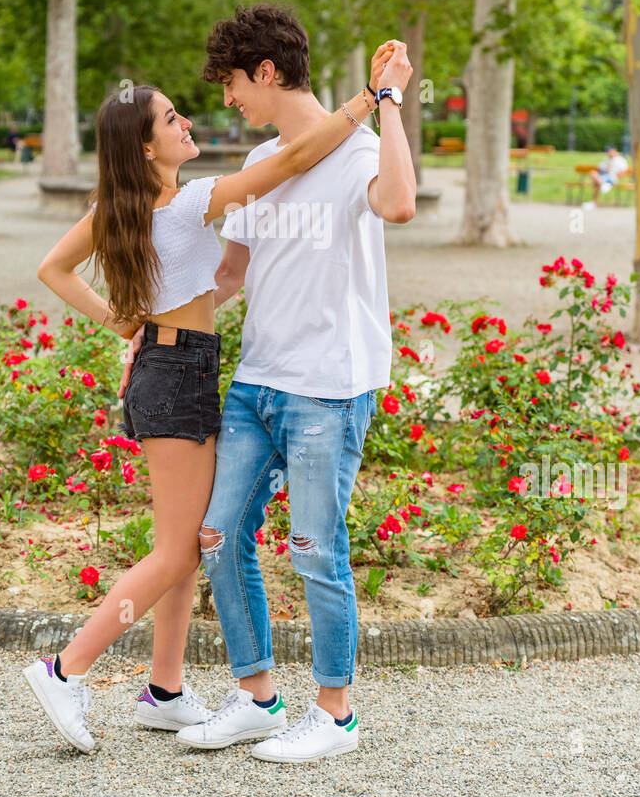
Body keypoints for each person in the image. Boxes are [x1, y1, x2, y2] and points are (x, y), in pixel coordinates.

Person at [22, 38, 396, 754]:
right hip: (179, 372)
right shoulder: (192, 201)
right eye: (170, 119)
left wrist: (123, 323)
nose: (187, 121)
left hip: (175, 366)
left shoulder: (123, 205)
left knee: (194, 545)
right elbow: (290, 159)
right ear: (144, 149)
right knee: (175, 552)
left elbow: (53, 268)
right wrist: (367, 100)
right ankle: (65, 669)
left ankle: (166, 689)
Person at [135, 3, 416, 765]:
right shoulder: (265, 160)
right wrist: (150, 329)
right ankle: (260, 700)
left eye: (231, 83)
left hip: (329, 385)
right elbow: (229, 274)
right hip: (258, 382)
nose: (225, 99)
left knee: (315, 546)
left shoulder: (358, 151)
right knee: (219, 538)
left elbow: (397, 204)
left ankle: (337, 715)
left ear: (264, 71)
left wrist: (387, 100)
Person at [582, 145, 628, 210]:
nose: (608, 153)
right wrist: (605, 170)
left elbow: (623, 172)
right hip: (604, 176)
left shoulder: (620, 160)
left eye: (609, 151)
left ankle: (593, 202)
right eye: (607, 151)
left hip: (612, 177)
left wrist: (613, 173)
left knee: (596, 183)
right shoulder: (606, 160)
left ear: (614, 150)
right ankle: (602, 185)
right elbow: (600, 168)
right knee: (593, 174)